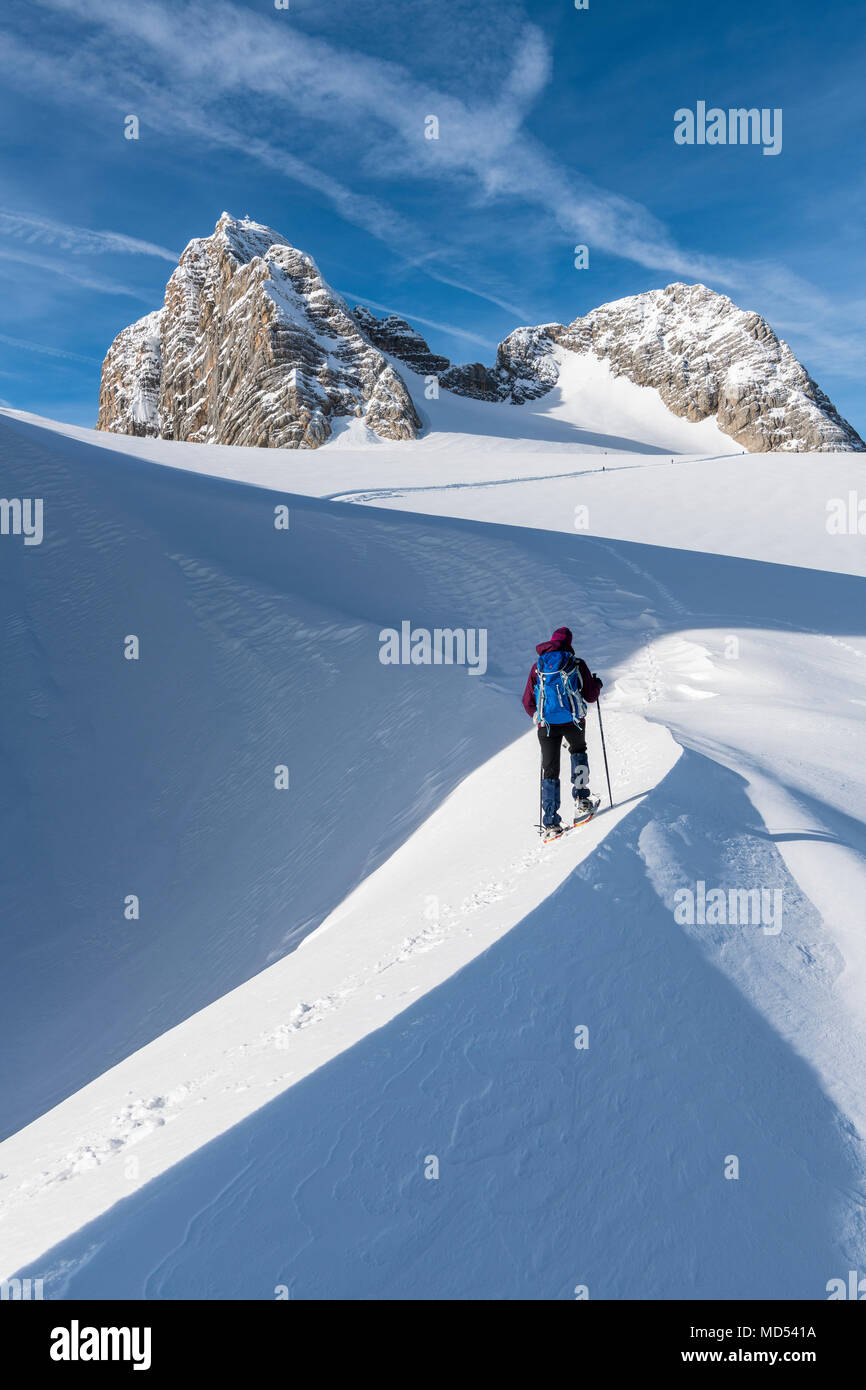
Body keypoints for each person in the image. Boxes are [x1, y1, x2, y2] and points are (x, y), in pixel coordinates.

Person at [521, 626, 603, 834]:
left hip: (547, 725)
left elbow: (527, 701)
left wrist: (539, 716)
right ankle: (583, 801)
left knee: (550, 770)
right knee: (578, 752)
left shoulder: (537, 667)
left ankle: (550, 822)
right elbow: (591, 696)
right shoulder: (575, 663)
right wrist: (597, 684)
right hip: (573, 721)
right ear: (569, 642)